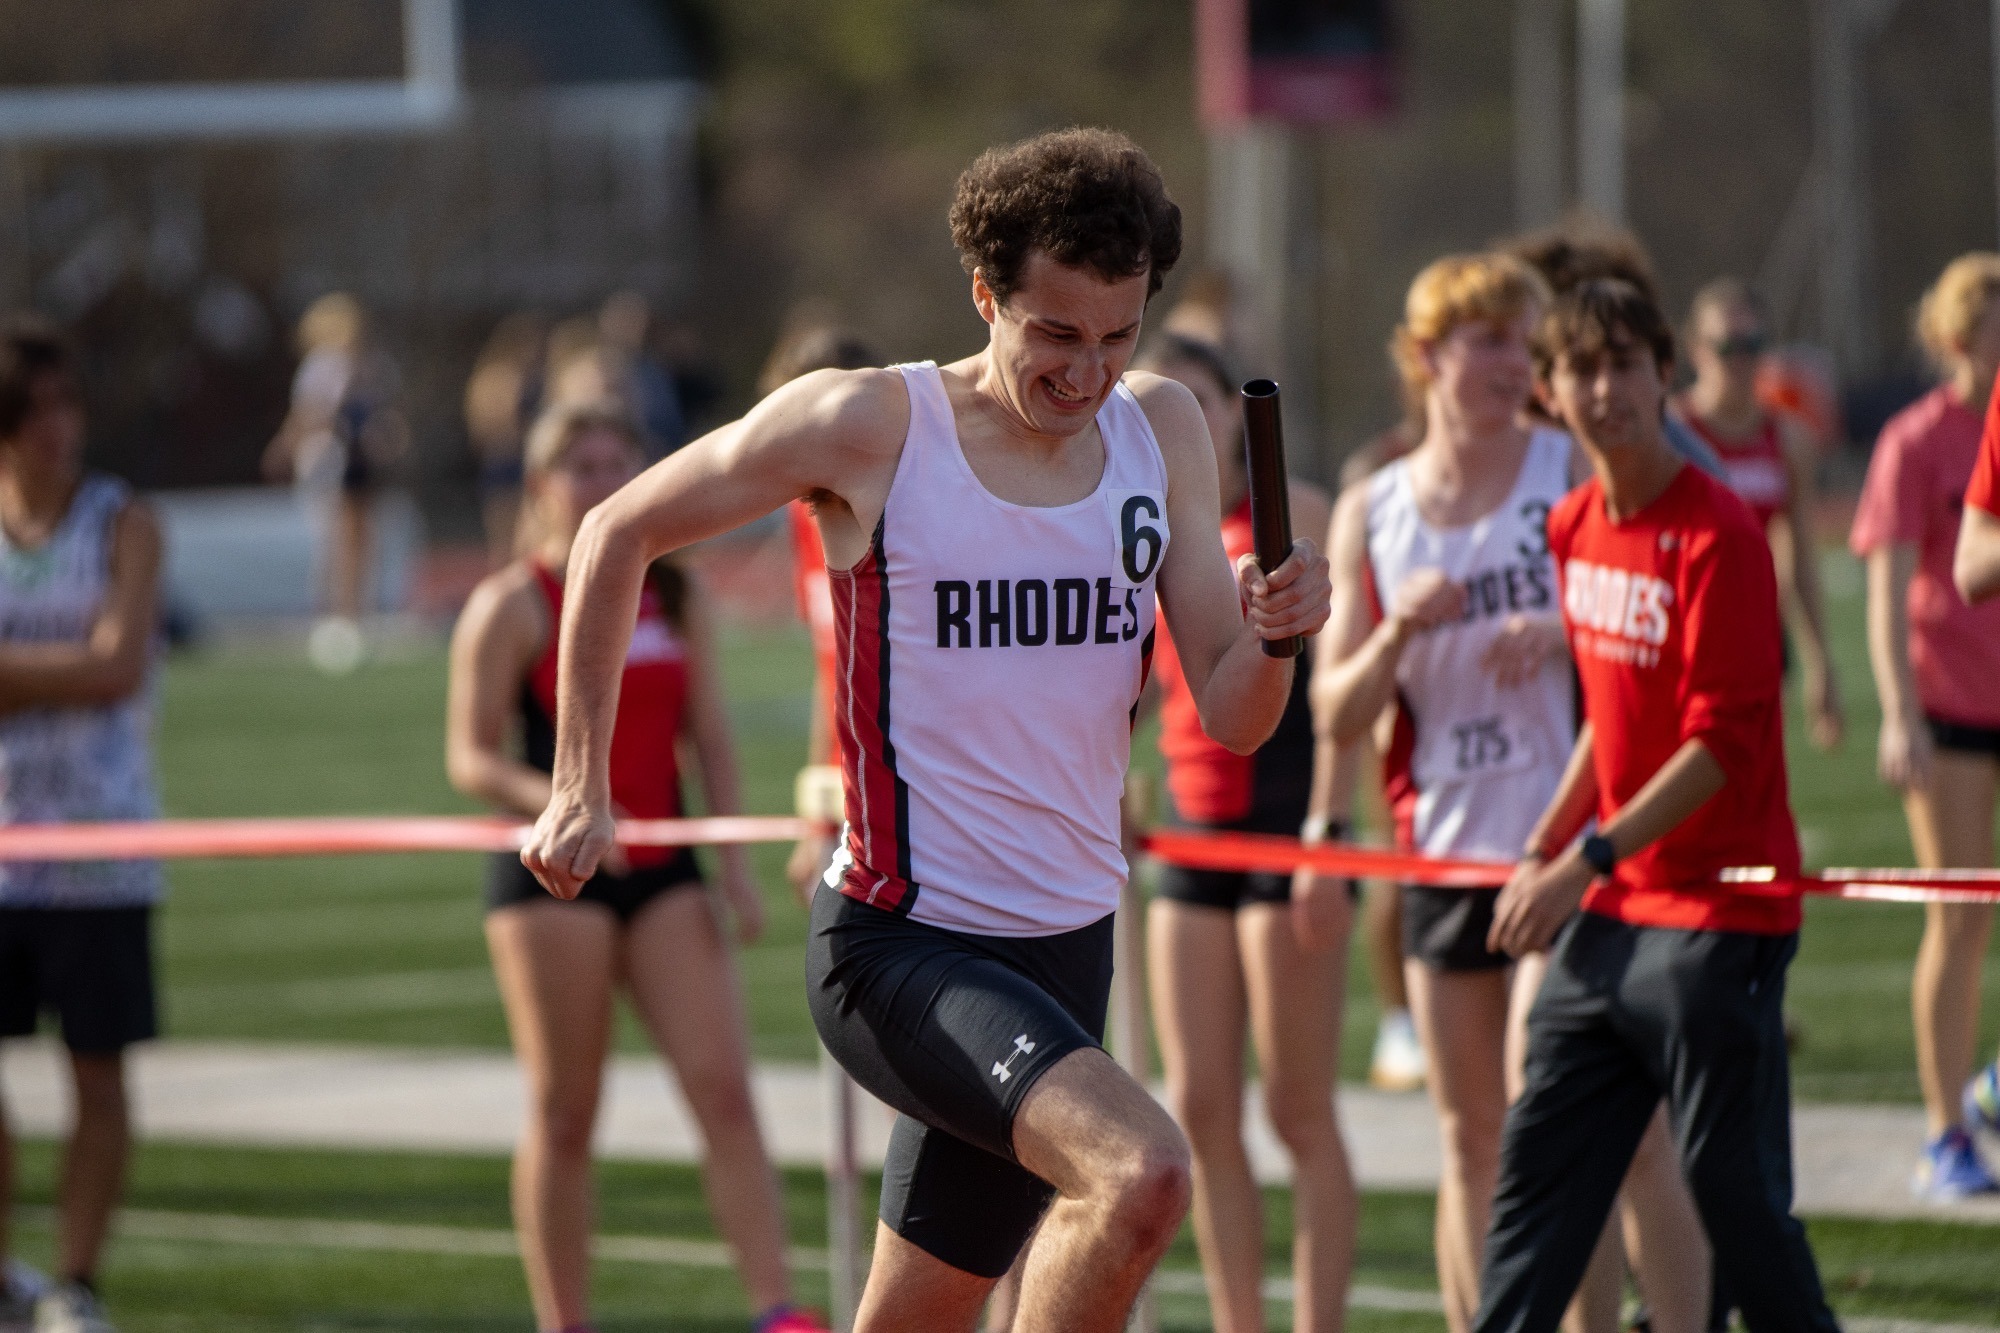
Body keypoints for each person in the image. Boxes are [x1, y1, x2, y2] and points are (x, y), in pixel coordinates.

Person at [520, 128, 1331, 1333]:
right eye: (1054, 334)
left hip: (1065, 948)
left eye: (1116, 337)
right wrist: (575, 782)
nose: (1085, 374)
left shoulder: (1158, 429)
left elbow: (1229, 711)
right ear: (984, 293)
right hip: (900, 947)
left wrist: (1276, 634)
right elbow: (613, 533)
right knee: (1141, 1173)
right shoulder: (871, 424)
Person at [1303, 255, 1706, 1333]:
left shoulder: (1567, 470)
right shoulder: (1372, 507)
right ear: (1428, 353)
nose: (1509, 364)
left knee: (1579, 1119)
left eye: (1522, 343)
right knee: (1467, 1135)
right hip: (1440, 851)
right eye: (1485, 339)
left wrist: (1568, 631)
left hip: (1569, 847)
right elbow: (1333, 712)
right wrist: (1397, 628)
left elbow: (1656, 629)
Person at [1475, 277, 1838, 1333]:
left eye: (1624, 364)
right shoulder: (1574, 522)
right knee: (1532, 1196)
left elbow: (1716, 742)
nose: (1604, 388)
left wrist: (1578, 859)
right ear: (1547, 393)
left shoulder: (1717, 528)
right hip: (1610, 917)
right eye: (1579, 370)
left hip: (1717, 922)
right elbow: (1610, 714)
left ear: (1664, 374)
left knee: (1739, 1210)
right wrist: (1545, 842)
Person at [445, 402, 826, 1333]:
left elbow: (710, 734)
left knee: (725, 1090)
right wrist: (565, 802)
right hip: (553, 878)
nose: (605, 481)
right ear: (541, 483)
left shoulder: (676, 594)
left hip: (665, 868)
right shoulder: (514, 600)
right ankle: (564, 1318)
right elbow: (470, 753)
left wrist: (732, 867)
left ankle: (776, 1307)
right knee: (567, 1111)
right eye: (583, 465)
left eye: (621, 462)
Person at [1134, 332, 1352, 1333]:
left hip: (1280, 833)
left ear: (1229, 411)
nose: (1184, 423)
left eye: (1200, 401)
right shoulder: (1138, 523)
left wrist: (1328, 830)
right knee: (1200, 1109)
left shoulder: (1282, 511)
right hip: (1188, 838)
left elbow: (1336, 679)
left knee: (1296, 1113)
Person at [0, 318, 165, 1333]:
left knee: (96, 1067)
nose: (61, 428)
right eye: (36, 410)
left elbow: (118, 666)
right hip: (3, 850)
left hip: (103, 845)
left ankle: (77, 1278)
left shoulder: (120, 520)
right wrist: (60, 678)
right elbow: (88, 664)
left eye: (69, 405)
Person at [1850, 252, 2000, 1199]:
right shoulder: (1915, 439)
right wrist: (1898, 713)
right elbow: (1884, 586)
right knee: (1958, 917)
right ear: (1955, 339)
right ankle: (1946, 1128)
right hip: (1949, 704)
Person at [1678, 279, 1843, 750]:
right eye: (1726, 346)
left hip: (1757, 635)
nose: (1741, 359)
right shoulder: (1672, 434)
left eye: (1753, 344)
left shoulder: (1787, 437)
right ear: (1696, 350)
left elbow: (1800, 554)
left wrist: (1820, 663)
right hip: (1684, 638)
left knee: (1754, 778)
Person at [263, 292, 407, 669]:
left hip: (361, 456)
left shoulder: (371, 364)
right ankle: (336, 615)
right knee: (338, 537)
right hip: (333, 456)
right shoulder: (323, 365)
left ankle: (358, 611)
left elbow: (386, 410)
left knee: (362, 535)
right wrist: (287, 445)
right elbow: (309, 413)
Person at [464, 312, 547, 564]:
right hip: (504, 460)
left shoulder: (537, 377)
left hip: (529, 460)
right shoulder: (495, 376)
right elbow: (488, 424)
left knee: (530, 528)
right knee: (503, 531)